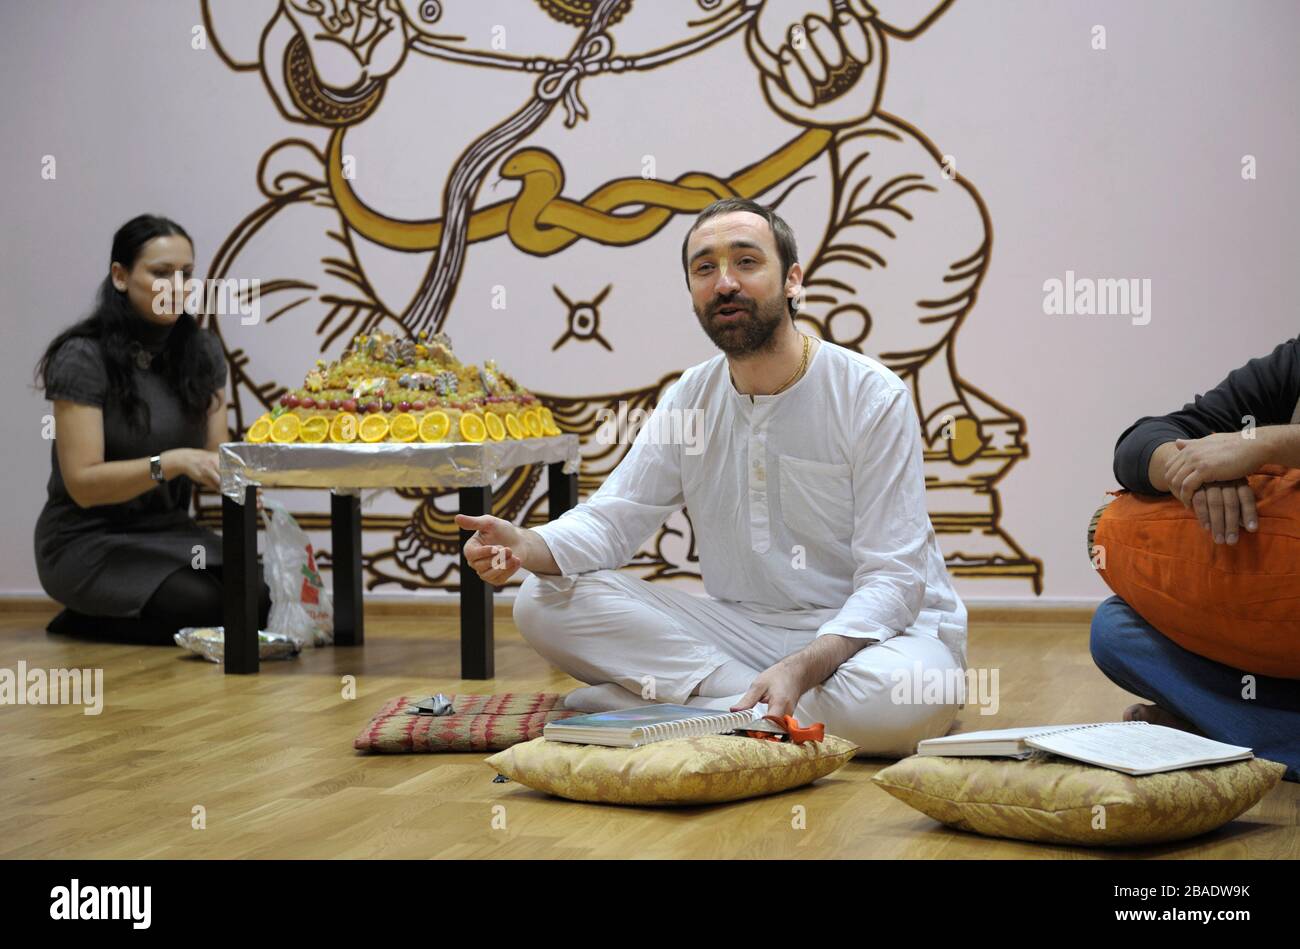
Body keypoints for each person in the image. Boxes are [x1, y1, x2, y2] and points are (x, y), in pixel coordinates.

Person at [455, 197, 967, 757]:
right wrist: (526, 544)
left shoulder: (869, 394)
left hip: (872, 639)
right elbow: (615, 519)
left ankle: (662, 709)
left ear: (792, 280)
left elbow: (894, 580)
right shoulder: (690, 398)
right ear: (693, 292)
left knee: (903, 702)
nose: (725, 283)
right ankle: (750, 704)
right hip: (741, 632)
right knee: (540, 600)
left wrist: (806, 663)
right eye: (705, 268)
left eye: (747, 262)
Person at [34, 214, 270, 645]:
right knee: (203, 604)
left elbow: (218, 455)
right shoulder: (82, 357)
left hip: (168, 532)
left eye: (186, 274)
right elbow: (84, 485)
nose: (176, 286)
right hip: (86, 539)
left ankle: (115, 610)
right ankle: (80, 616)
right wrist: (171, 464)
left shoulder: (202, 349)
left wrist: (274, 462)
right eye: (161, 274)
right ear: (121, 277)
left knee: (257, 599)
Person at [1090, 336, 1300, 780]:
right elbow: (1139, 443)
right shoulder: (1292, 365)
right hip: (1282, 648)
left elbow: (1254, 443)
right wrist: (1193, 469)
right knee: (1116, 630)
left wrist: (1266, 444)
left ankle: (1222, 734)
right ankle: (1256, 733)